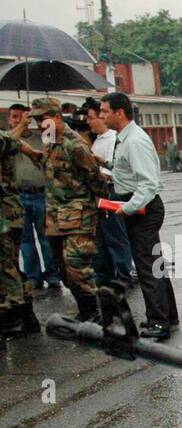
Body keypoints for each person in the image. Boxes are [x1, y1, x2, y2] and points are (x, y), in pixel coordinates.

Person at [100, 91, 181, 340]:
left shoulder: (134, 140)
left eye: (104, 112)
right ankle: (168, 315)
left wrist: (127, 207)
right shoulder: (125, 139)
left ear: (119, 113)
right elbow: (131, 174)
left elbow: (147, 183)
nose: (102, 116)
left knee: (146, 266)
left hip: (143, 208)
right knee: (153, 263)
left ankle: (158, 321)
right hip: (139, 205)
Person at [30, 98, 106, 323]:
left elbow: (95, 179)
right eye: (36, 120)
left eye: (42, 119)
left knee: (77, 267)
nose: (39, 125)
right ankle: (84, 309)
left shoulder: (75, 144)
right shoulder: (49, 141)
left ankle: (96, 313)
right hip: (54, 216)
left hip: (78, 215)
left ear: (56, 117)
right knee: (62, 268)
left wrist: (97, 206)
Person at [1, 115, 49, 342]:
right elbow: (13, 141)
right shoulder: (5, 139)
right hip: (9, 214)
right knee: (9, 266)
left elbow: (11, 140)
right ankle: (25, 317)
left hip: (5, 216)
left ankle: (15, 317)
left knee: (6, 266)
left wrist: (30, 151)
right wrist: (31, 152)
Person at [9, 103, 61, 292]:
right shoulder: (8, 140)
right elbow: (10, 140)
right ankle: (34, 277)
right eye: (14, 117)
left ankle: (53, 275)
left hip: (41, 194)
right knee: (26, 241)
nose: (18, 120)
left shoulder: (41, 138)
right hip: (18, 196)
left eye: (22, 116)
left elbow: (54, 147)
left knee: (46, 237)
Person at [84, 98, 135, 288]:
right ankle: (106, 274)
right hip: (98, 193)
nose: (89, 122)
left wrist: (103, 172)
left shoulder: (114, 138)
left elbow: (121, 169)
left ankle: (124, 273)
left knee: (116, 235)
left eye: (92, 117)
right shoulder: (95, 141)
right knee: (102, 237)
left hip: (111, 191)